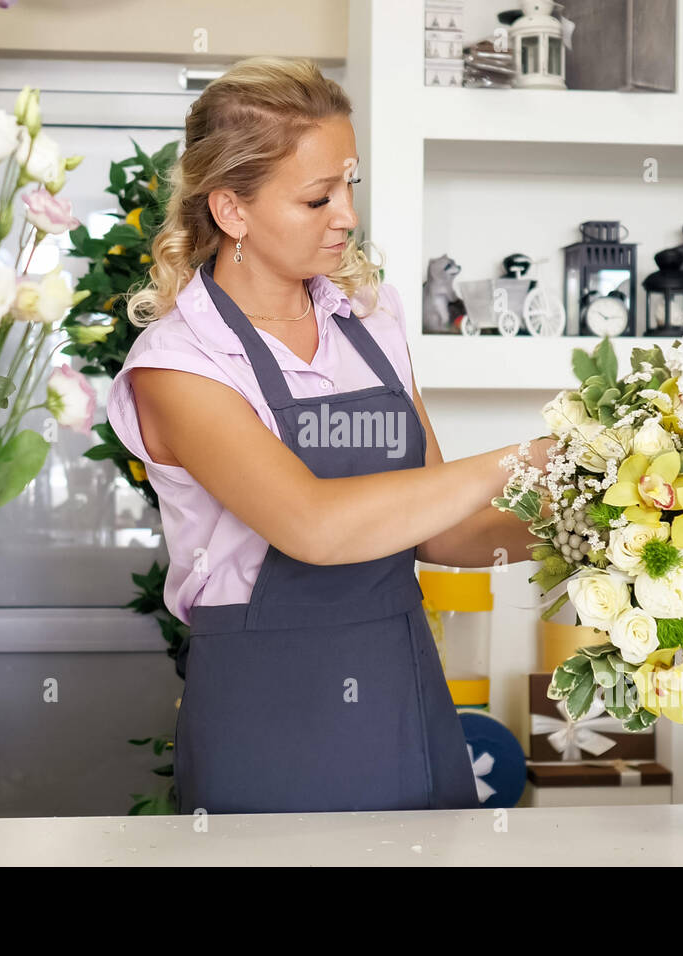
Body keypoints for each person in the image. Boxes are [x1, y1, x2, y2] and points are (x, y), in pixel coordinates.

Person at [107, 56, 556, 815]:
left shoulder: (369, 323)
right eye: (317, 197)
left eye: (350, 185)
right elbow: (312, 525)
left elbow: (443, 535)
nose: (346, 215)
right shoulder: (178, 363)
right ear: (231, 211)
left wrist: (599, 527)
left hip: (403, 690)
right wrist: (519, 459)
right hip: (270, 714)